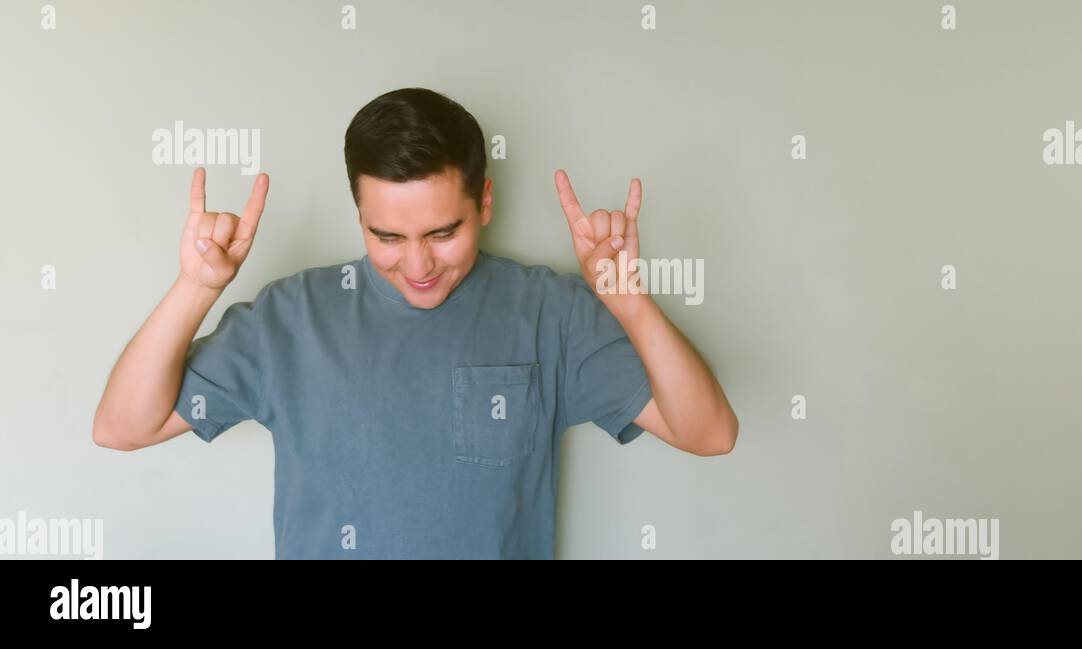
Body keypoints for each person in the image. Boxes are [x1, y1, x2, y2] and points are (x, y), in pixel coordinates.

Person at [91, 88, 738, 559]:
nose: (419, 262)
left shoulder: (549, 311)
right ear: (360, 215)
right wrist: (196, 288)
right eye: (388, 235)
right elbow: (122, 426)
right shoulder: (289, 318)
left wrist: (626, 297)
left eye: (443, 231)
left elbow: (708, 431)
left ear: (484, 202)